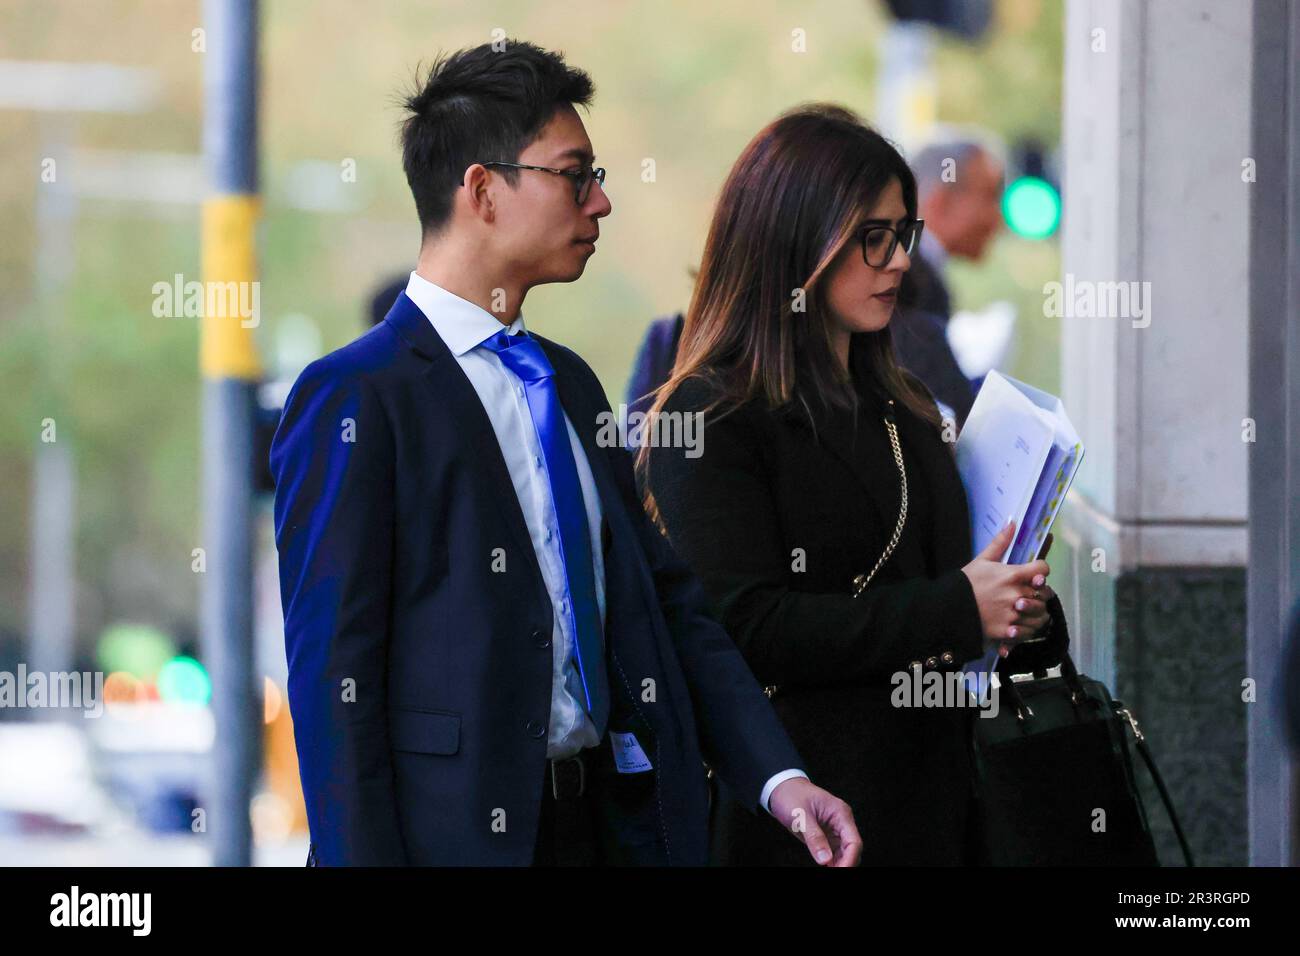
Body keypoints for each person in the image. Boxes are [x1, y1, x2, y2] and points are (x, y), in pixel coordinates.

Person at [270, 41, 860, 867]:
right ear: (482, 189)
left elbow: (666, 604)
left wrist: (780, 780)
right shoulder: (357, 397)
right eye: (575, 174)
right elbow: (336, 687)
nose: (603, 202)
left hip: (605, 832)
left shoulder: (571, 386)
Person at [641, 104, 1068, 865]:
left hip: (943, 797)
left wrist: (1019, 607)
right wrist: (955, 609)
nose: (899, 259)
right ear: (796, 238)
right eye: (873, 237)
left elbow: (948, 584)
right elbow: (747, 629)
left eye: (902, 233)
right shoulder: (712, 412)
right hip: (807, 817)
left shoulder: (902, 400)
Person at [892, 136, 1006, 425]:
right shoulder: (907, 285)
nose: (999, 221)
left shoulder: (919, 276)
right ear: (941, 202)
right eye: (990, 197)